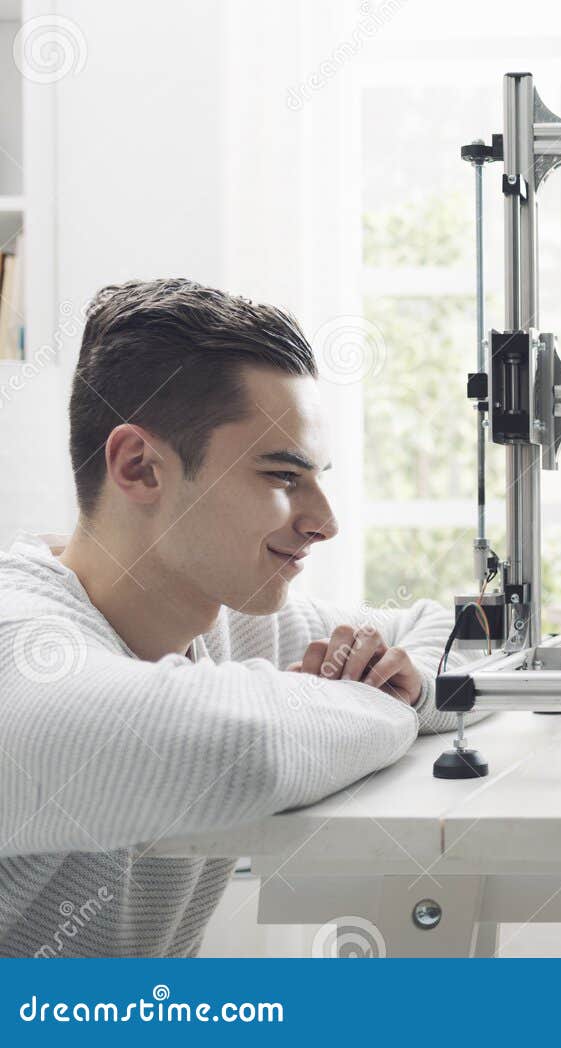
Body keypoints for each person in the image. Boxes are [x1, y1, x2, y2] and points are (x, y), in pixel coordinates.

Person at [0, 278, 487, 958]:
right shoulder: (19, 646)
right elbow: (236, 750)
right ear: (140, 468)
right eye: (283, 478)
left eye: (317, 477)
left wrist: (400, 683)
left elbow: (469, 639)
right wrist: (379, 703)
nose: (325, 522)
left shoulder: (222, 620)